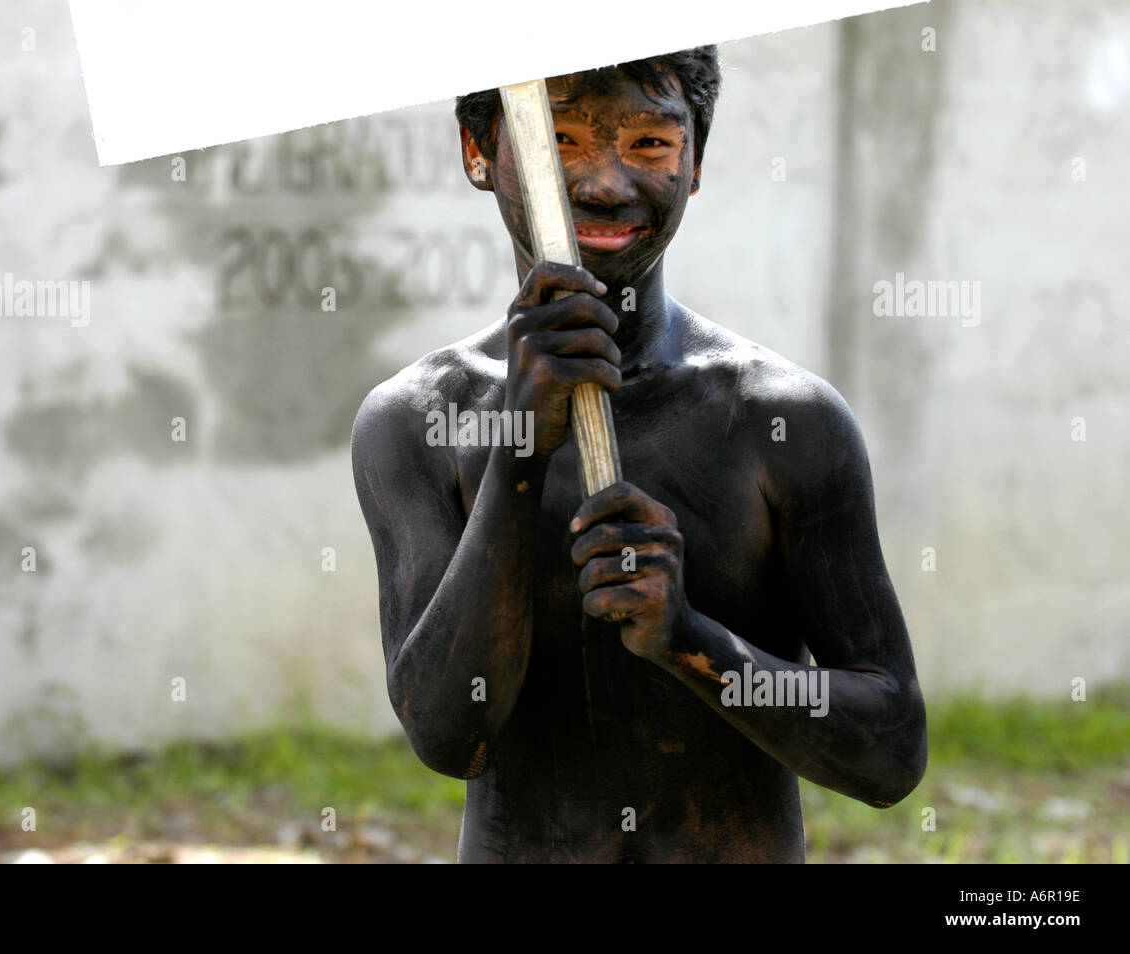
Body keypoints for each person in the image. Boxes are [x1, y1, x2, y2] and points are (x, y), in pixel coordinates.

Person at [351, 46, 927, 863]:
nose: (608, 183)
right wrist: (522, 446)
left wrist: (691, 639)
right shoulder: (421, 420)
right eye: (561, 142)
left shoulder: (780, 420)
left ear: (695, 162)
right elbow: (450, 735)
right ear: (478, 151)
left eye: (651, 145)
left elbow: (891, 751)